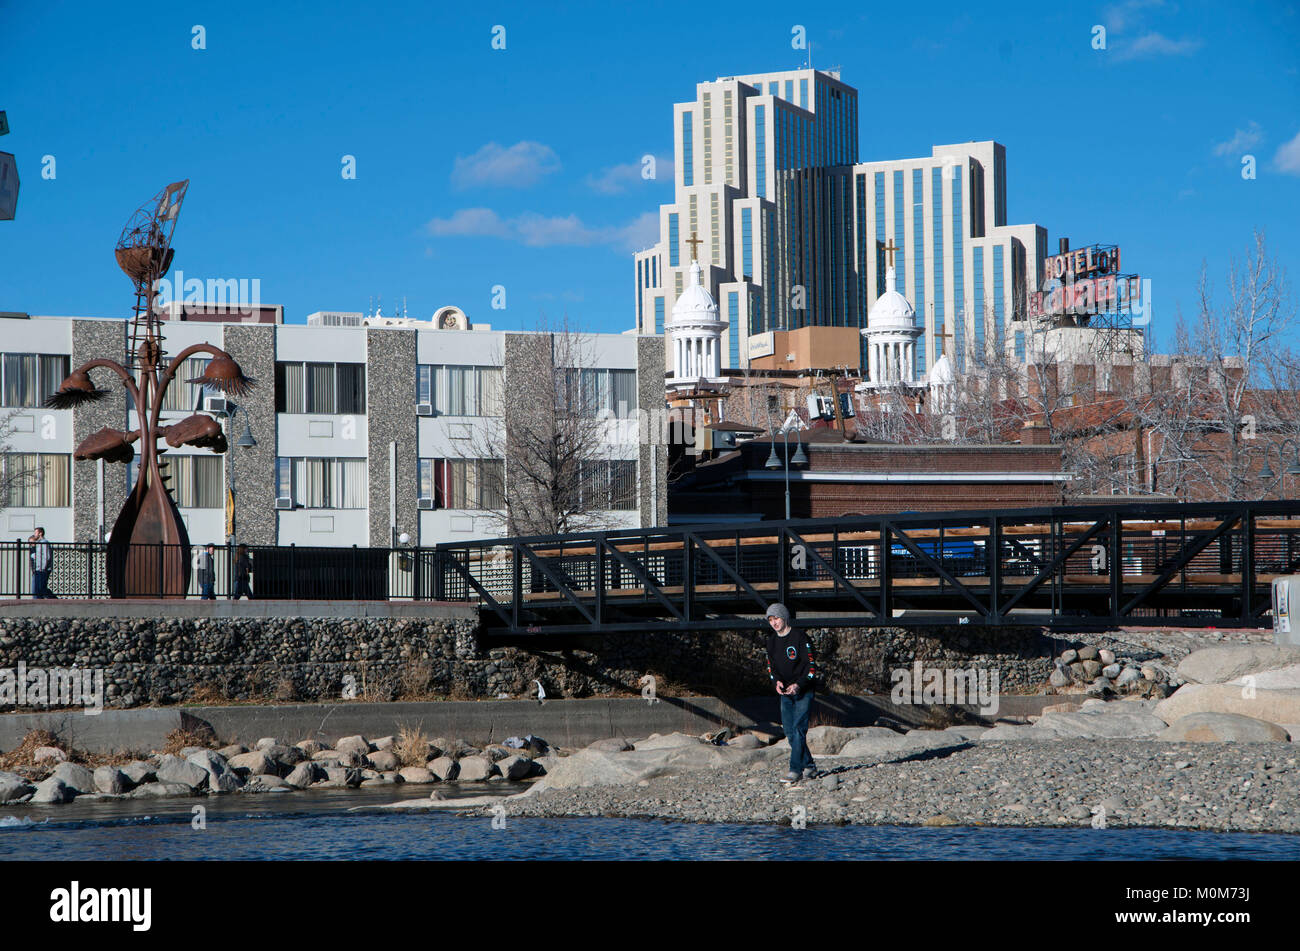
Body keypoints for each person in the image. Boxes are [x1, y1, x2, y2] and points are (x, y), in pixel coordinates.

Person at [764, 603, 817, 783]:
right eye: (770, 620)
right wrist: (776, 681)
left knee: (799, 729)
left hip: (803, 691)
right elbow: (772, 667)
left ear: (784, 618)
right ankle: (810, 766)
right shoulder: (771, 642)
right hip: (785, 693)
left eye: (776, 618)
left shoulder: (800, 637)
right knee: (789, 732)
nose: (774, 623)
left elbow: (811, 668)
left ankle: (795, 770)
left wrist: (799, 685)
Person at [29, 527, 55, 599]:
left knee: (42, 587)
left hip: (43, 569)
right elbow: (39, 555)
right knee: (38, 588)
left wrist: (43, 568)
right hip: (39, 568)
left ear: (40, 533)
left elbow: (47, 556)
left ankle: (53, 599)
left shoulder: (44, 542)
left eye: (36, 533)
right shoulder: (38, 543)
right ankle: (39, 601)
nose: (34, 535)